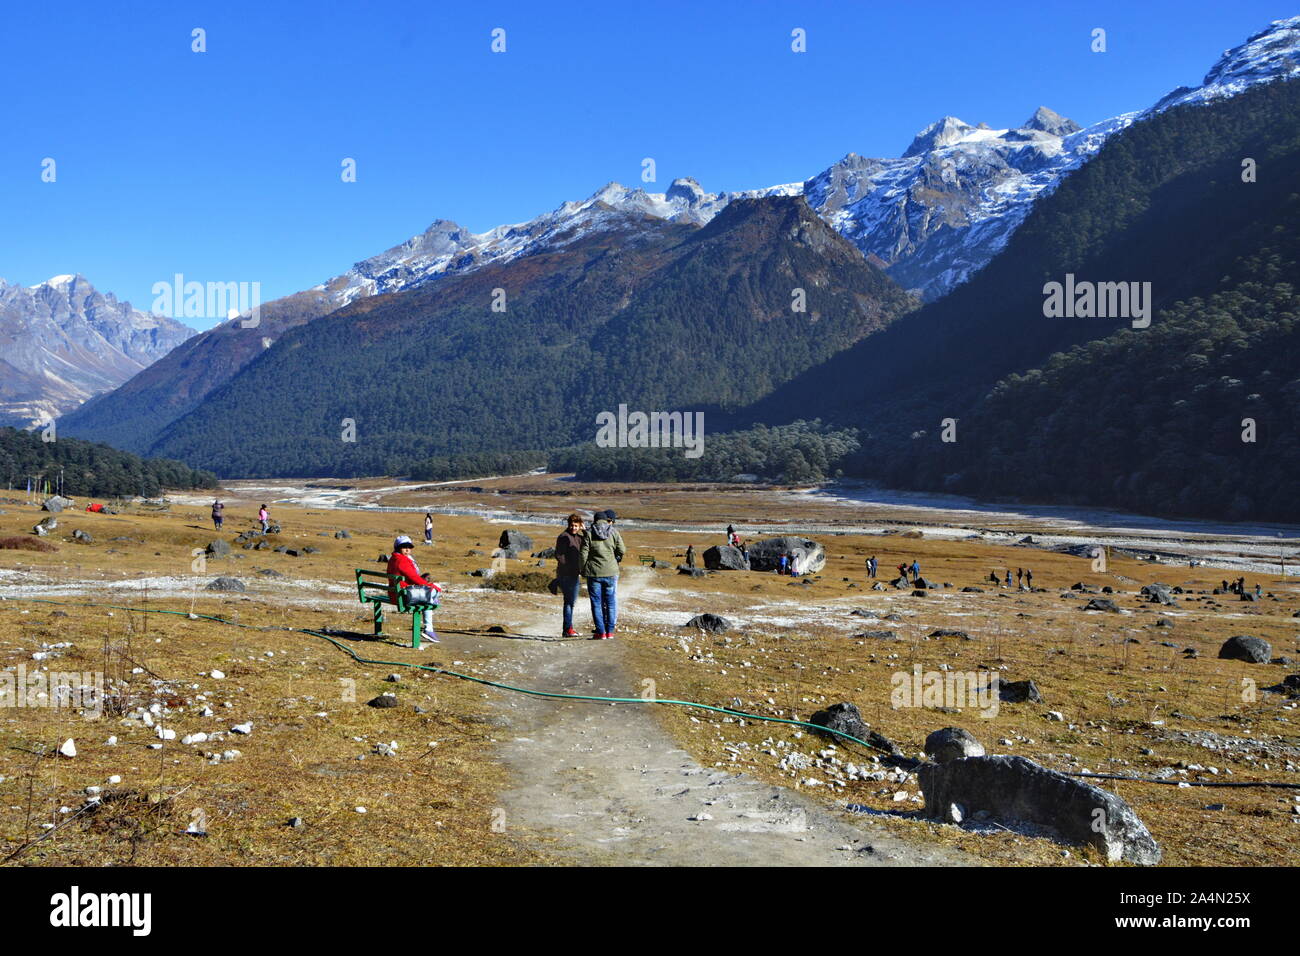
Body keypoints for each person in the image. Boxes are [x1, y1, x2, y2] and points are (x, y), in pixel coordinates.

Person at [386, 535, 443, 644]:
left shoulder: (393, 559)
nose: (407, 550)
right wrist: (430, 585)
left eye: (409, 547)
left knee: (430, 595)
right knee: (434, 591)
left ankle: (431, 604)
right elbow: (413, 577)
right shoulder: (402, 560)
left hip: (395, 593)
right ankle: (428, 629)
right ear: (398, 548)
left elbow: (410, 577)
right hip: (404, 596)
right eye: (404, 547)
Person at [581, 509, 625, 640]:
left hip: (594, 573)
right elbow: (622, 549)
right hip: (611, 572)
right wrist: (616, 558)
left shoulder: (589, 533)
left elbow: (583, 553)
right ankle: (610, 631)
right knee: (610, 602)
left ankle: (600, 632)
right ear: (606, 520)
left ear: (594, 520)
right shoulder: (613, 532)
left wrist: (583, 569)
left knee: (596, 602)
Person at [554, 513, 585, 637]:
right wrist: (568, 568)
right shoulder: (563, 537)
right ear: (568, 525)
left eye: (576, 526)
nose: (574, 528)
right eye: (572, 525)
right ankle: (567, 629)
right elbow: (559, 555)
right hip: (566, 574)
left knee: (571, 602)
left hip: (574, 574)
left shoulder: (578, 537)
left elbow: (588, 543)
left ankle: (568, 629)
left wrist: (585, 530)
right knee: (569, 602)